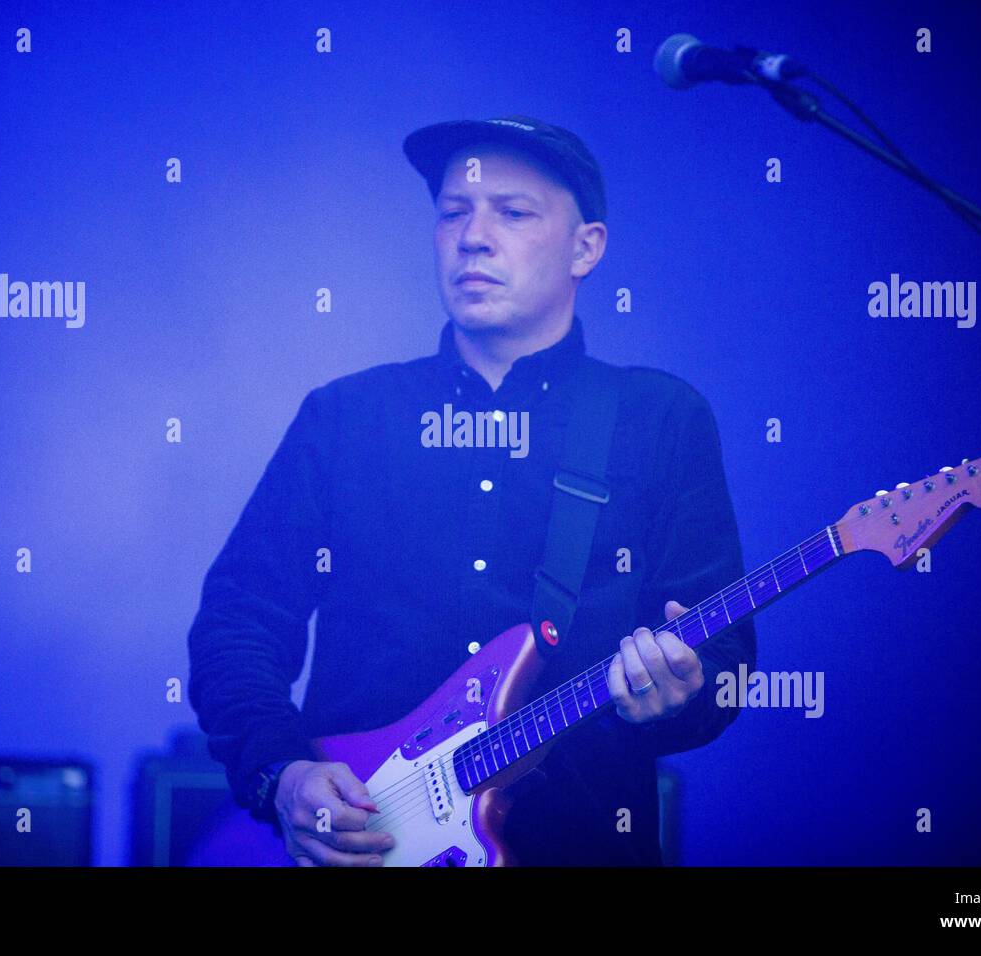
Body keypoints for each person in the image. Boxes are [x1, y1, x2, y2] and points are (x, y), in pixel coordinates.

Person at [187, 115, 756, 866]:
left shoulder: (659, 419)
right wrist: (282, 774)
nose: (473, 236)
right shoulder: (346, 418)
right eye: (454, 212)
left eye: (512, 213)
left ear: (587, 247)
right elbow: (238, 622)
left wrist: (680, 696)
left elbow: (725, 661)